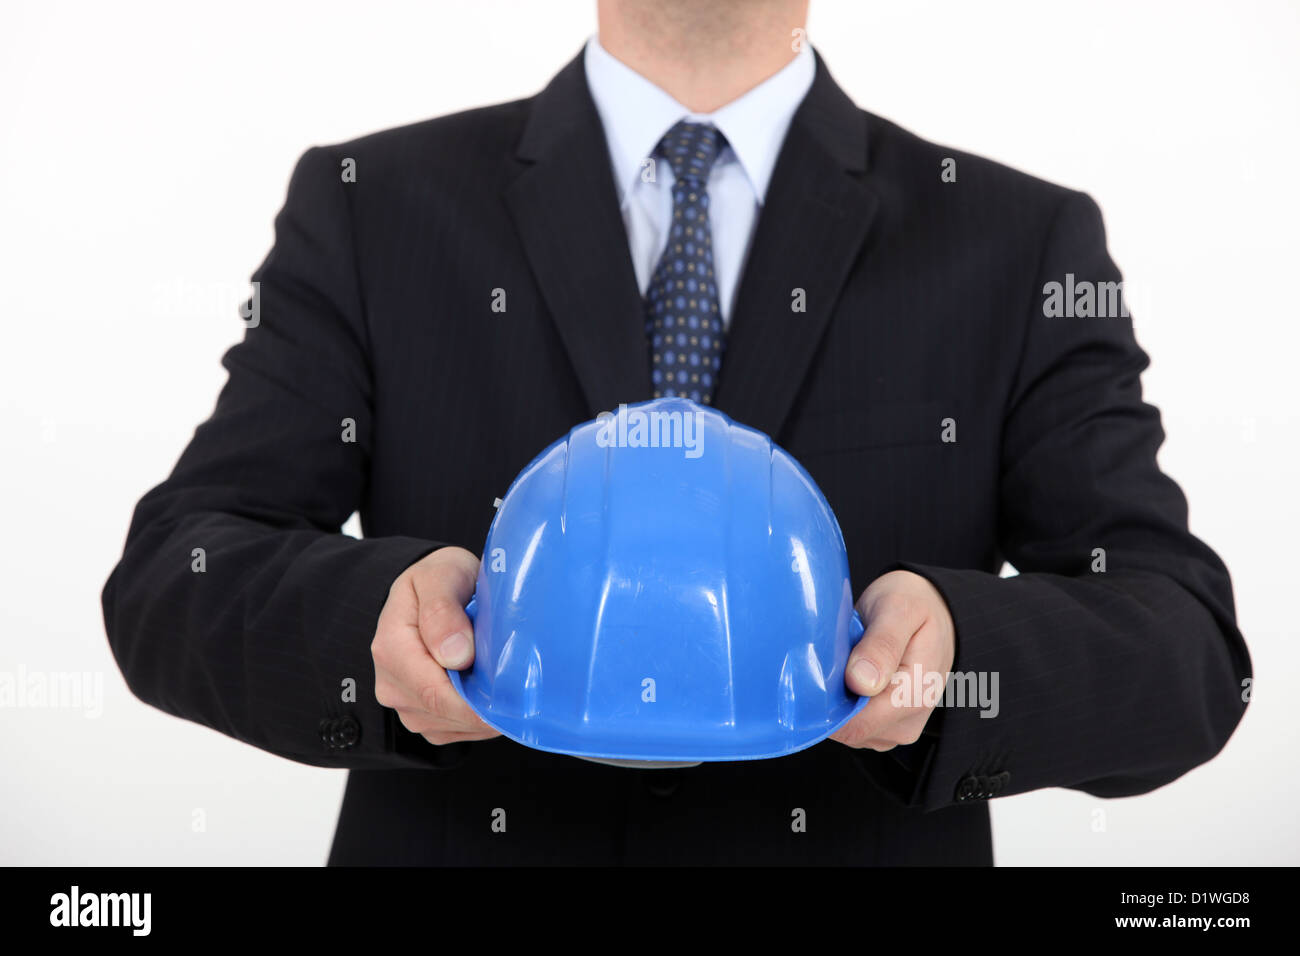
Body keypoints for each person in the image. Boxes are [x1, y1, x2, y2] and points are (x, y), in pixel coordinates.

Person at [102, 0, 1251, 865]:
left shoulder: (1015, 241)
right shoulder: (371, 203)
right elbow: (174, 571)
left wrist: (955, 649)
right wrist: (381, 624)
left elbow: (1184, 645)